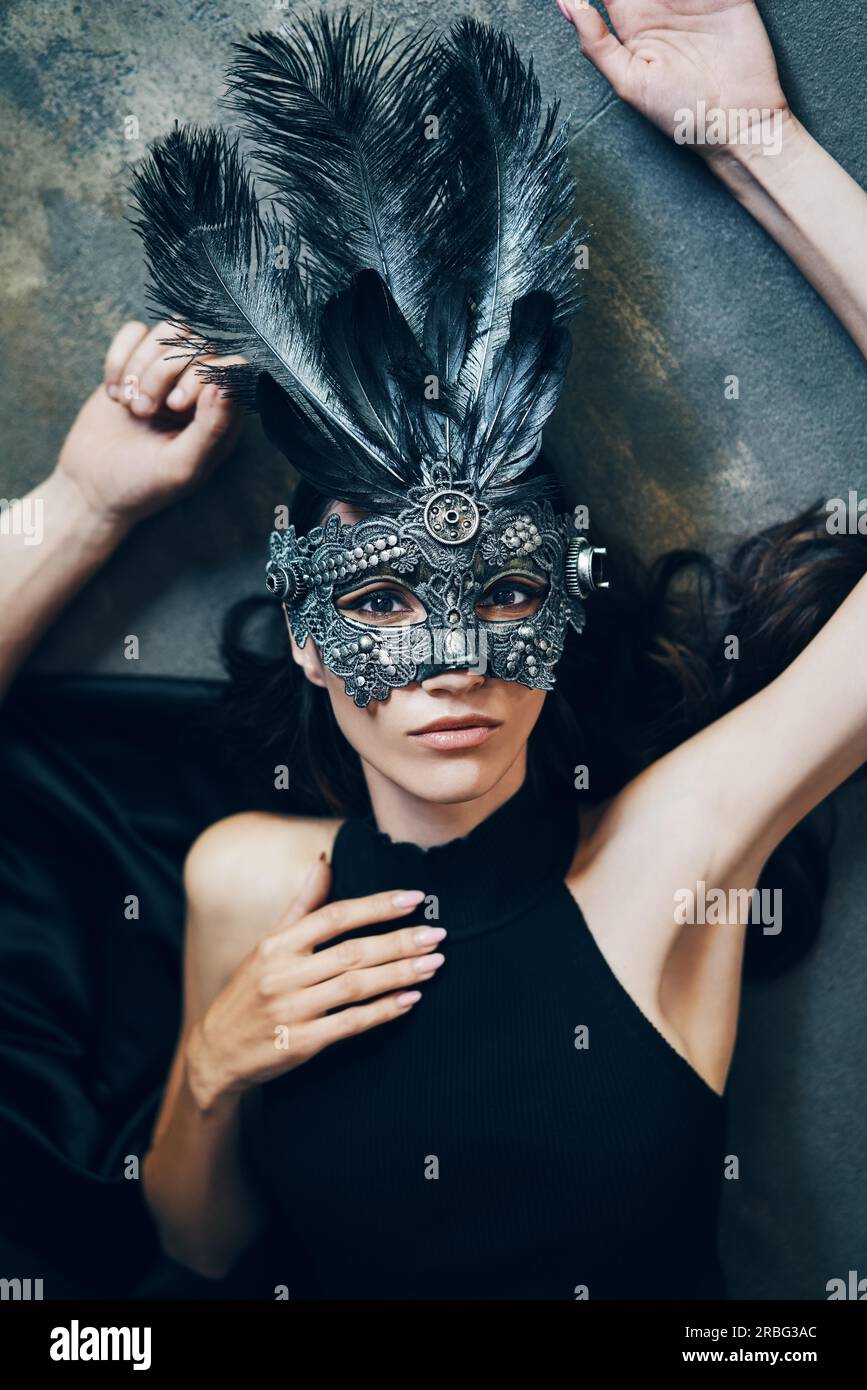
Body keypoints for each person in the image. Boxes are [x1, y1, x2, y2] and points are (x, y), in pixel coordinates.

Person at [1, 2, 865, 1300]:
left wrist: (754, 138)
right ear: (308, 634)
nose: (452, 658)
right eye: (388, 601)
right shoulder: (246, 884)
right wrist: (211, 1069)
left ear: (564, 613)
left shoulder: (673, 857)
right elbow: (199, 1246)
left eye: (505, 587)